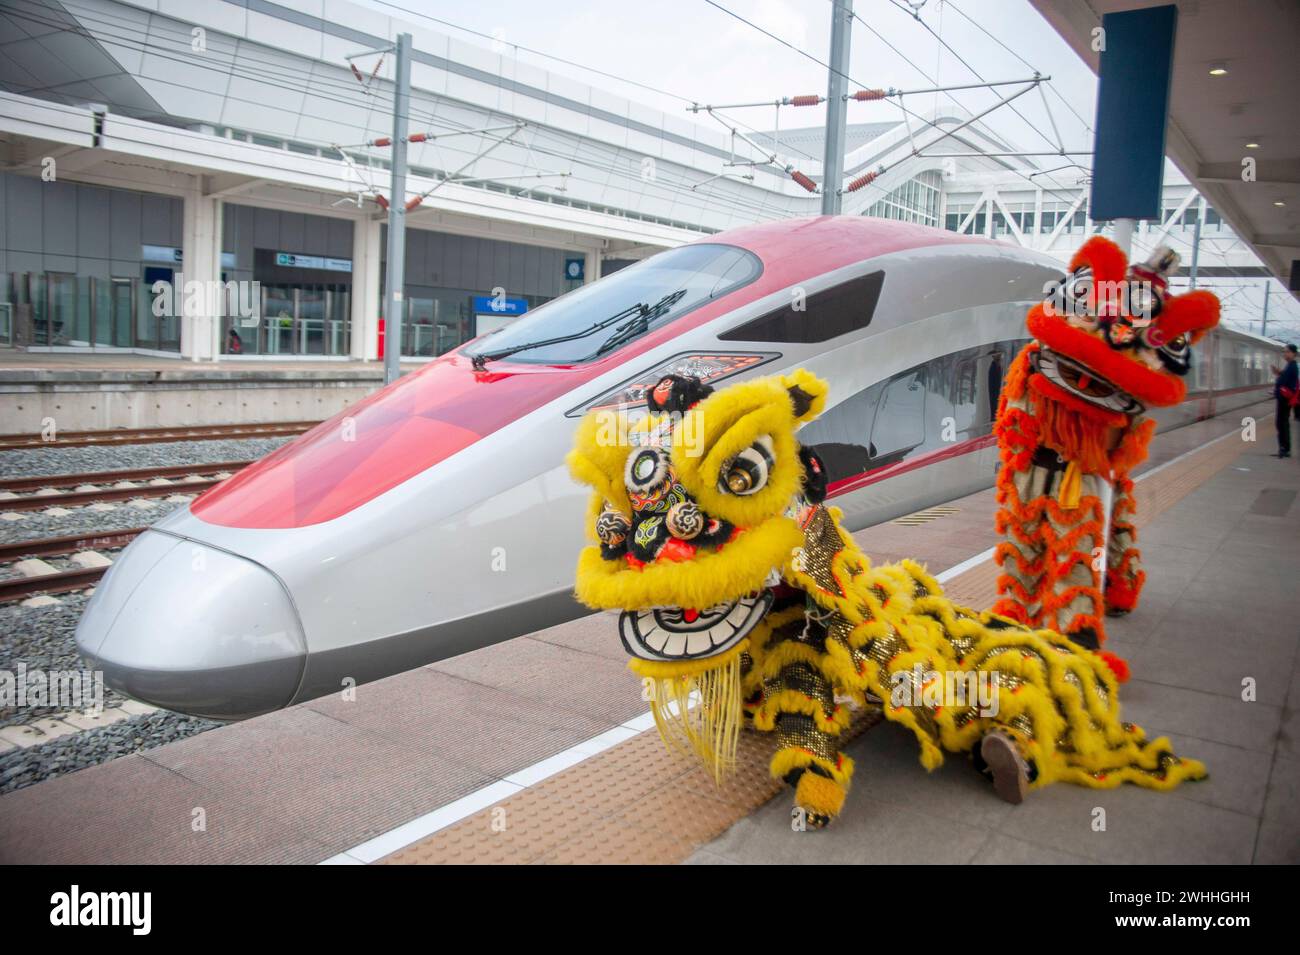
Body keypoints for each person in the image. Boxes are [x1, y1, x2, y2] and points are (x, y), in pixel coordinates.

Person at [1271, 343, 1298, 458]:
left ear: (1293, 353)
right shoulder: (1289, 365)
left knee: (1282, 423)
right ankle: (1283, 448)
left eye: (1287, 351)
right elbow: (1285, 378)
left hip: (1285, 399)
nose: (1285, 354)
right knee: (1281, 423)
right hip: (1283, 398)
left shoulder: (1292, 366)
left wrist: (1279, 374)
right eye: (1284, 351)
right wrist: (1280, 373)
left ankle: (1285, 449)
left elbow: (1285, 381)